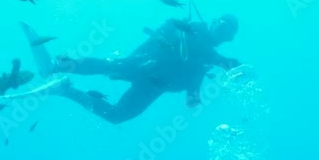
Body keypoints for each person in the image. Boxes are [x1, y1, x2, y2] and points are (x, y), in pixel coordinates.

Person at [14, 12, 240, 124]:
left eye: (228, 33)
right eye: (222, 26)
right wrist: (228, 65)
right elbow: (184, 39)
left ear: (229, 39)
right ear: (213, 22)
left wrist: (194, 99)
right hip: (145, 65)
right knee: (107, 66)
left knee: (117, 116)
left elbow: (193, 89)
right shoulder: (192, 30)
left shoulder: (206, 63)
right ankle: (54, 66)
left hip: (154, 87)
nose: (223, 34)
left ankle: (65, 89)